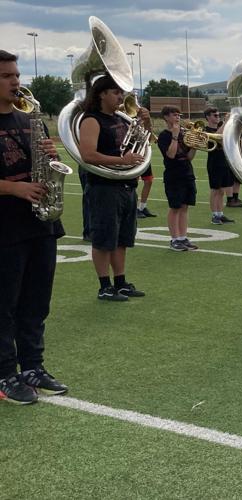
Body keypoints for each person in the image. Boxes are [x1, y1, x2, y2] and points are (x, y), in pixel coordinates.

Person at [0, 50, 68, 404]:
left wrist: (50, 154)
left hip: (40, 223)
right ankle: (5, 374)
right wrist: (14, 188)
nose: (16, 81)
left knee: (36, 301)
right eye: (7, 76)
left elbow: (47, 163)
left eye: (16, 73)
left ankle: (32, 365)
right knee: (4, 305)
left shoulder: (29, 119)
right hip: (5, 227)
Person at [78, 73, 149, 301]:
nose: (121, 96)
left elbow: (142, 141)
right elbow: (87, 155)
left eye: (121, 92)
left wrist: (145, 122)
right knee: (104, 239)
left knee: (121, 238)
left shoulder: (120, 118)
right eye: (116, 92)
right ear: (102, 94)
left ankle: (120, 282)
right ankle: (104, 286)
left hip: (126, 185)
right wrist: (122, 161)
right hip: (104, 187)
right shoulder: (92, 119)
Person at [157, 106, 198, 252]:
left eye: (179, 115)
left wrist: (194, 146)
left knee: (185, 207)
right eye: (174, 115)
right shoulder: (164, 136)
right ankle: (174, 239)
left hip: (187, 173)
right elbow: (171, 155)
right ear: (166, 117)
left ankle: (183, 238)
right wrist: (174, 136)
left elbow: (189, 158)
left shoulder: (184, 134)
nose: (178, 117)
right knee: (175, 207)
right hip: (173, 175)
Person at [203, 107, 235, 225]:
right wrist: (226, 122)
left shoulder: (222, 127)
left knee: (222, 190)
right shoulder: (205, 129)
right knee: (215, 190)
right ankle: (214, 215)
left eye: (218, 115)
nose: (218, 117)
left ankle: (220, 214)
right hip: (214, 162)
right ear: (208, 117)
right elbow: (215, 137)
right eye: (215, 115)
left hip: (224, 161)